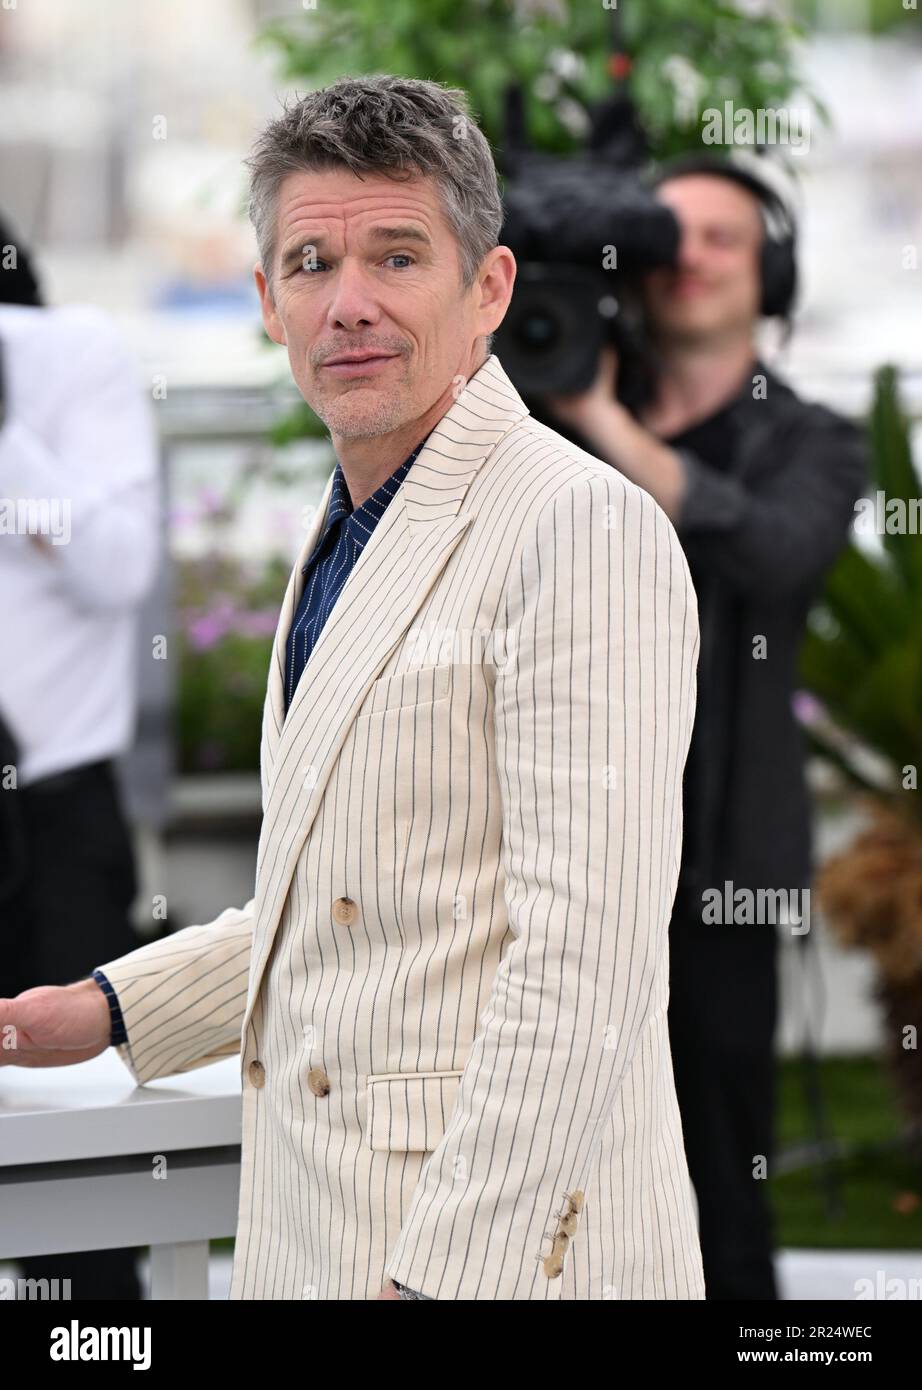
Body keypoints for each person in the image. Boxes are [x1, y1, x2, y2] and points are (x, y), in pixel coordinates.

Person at [0, 76, 705, 1301]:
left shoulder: (578, 526)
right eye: (312, 263)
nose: (350, 302)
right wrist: (106, 1008)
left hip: (486, 1266)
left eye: (397, 256)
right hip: (324, 1234)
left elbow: (583, 969)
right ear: (267, 301)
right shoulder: (348, 527)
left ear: (489, 288)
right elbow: (343, 898)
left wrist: (438, 1283)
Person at [542, 154, 869, 1299]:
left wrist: (601, 424)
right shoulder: (542, 411)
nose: (688, 259)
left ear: (769, 273)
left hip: (722, 865)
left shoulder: (814, 440)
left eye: (721, 238)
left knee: (720, 1175)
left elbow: (775, 552)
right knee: (546, 1172)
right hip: (561, 854)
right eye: (666, 235)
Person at [0, 215, 160, 1298]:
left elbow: (118, 568)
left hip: (52, 824)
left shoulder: (72, 360)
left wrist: (5, 435)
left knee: (84, 1197)